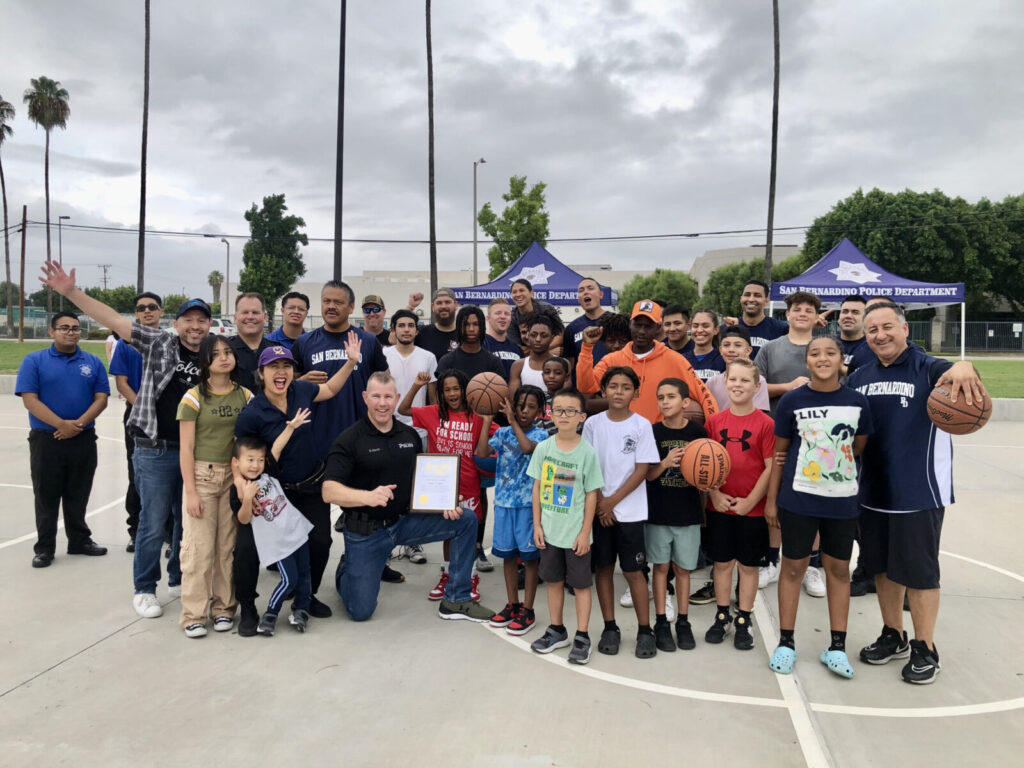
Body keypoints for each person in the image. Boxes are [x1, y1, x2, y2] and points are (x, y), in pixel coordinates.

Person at [40, 259, 211, 620]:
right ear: (176, 323)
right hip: (154, 447)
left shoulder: (215, 354)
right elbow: (115, 321)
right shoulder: (160, 342)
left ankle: (179, 578)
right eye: (189, 319)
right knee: (152, 520)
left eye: (202, 320)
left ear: (208, 325)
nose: (195, 326)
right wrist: (71, 292)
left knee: (187, 520)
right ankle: (145, 588)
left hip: (193, 450)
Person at [848, 301, 984, 685]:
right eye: (872, 329)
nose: (880, 335)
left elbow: (962, 369)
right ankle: (894, 634)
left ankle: (926, 647)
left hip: (919, 489)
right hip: (872, 489)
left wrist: (964, 365)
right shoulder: (860, 376)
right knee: (881, 569)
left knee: (921, 574)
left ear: (905, 329)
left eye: (887, 326)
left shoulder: (929, 368)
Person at [324, 372, 494, 623]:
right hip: (366, 532)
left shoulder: (409, 436)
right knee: (360, 612)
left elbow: (420, 483)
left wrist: (443, 503)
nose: (382, 403)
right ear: (365, 398)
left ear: (397, 398)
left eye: (388, 397)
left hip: (403, 523)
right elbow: (329, 490)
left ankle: (457, 598)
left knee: (466, 519)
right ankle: (347, 568)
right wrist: (367, 496)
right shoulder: (350, 439)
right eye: (376, 397)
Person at [233, 340, 363, 635]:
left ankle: (306, 596)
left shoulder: (302, 391)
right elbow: (237, 454)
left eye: (286, 366)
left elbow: (329, 390)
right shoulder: (253, 412)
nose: (281, 372)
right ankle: (250, 606)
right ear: (261, 373)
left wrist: (351, 362)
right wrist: (242, 488)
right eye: (273, 367)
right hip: (274, 493)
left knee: (319, 542)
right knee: (248, 550)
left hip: (310, 484)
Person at [764, 337, 873, 678]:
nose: (822, 358)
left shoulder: (857, 402)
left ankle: (836, 647)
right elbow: (780, 454)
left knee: (838, 571)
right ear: (806, 362)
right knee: (793, 568)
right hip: (798, 499)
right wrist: (771, 500)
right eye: (815, 353)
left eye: (830, 353)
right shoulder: (792, 401)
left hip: (841, 502)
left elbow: (857, 448)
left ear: (842, 360)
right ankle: (786, 642)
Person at [16, 311, 110, 568]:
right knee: (46, 495)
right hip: (47, 439)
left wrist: (77, 425)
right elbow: (29, 399)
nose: (71, 332)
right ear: (52, 332)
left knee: (79, 491)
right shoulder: (34, 361)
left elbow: (101, 398)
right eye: (64, 328)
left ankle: (79, 540)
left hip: (83, 438)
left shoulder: (92, 362)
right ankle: (45, 547)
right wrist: (61, 425)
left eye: (75, 328)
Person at [176, 334, 254, 638]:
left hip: (234, 477)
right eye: (216, 353)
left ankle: (224, 609)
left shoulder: (246, 396)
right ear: (205, 360)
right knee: (198, 549)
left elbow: (248, 439)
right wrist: (191, 492)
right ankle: (193, 614)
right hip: (203, 477)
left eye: (228, 352)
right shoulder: (193, 397)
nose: (224, 357)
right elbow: (186, 448)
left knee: (227, 548)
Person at [582, 366, 660, 658]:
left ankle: (644, 630)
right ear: (603, 390)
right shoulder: (592, 424)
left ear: (636, 393)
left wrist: (611, 502)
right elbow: (589, 466)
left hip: (629, 511)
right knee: (602, 569)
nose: (618, 391)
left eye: (625, 387)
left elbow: (642, 469)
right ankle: (610, 627)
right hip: (600, 508)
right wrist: (601, 501)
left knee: (634, 571)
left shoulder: (641, 425)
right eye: (613, 386)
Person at [399, 368, 497, 600]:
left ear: (465, 391)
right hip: (442, 488)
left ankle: (470, 576)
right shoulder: (433, 413)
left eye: (456, 389)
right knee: (448, 532)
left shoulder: (477, 416)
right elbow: (402, 409)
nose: (452, 394)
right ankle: (448, 573)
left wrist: (488, 419)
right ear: (440, 393)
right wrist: (417, 386)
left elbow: (495, 440)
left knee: (470, 535)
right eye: (447, 390)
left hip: (470, 485)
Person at [755, 290, 826, 598]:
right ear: (788, 314)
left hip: (818, 436)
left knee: (815, 500)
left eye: (808, 310)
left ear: (816, 317)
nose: (802, 313)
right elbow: (754, 386)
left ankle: (811, 566)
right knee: (777, 497)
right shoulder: (771, 348)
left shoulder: (824, 348)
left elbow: (839, 382)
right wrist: (788, 386)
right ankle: (772, 559)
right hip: (779, 433)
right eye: (797, 309)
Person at [527, 388, 603, 664]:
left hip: (575, 536)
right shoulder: (544, 448)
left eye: (571, 411)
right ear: (550, 414)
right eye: (558, 410)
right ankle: (557, 629)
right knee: (554, 582)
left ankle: (582, 635)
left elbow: (592, 494)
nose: (564, 415)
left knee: (581, 586)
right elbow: (537, 488)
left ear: (582, 417)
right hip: (548, 532)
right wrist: (536, 525)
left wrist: (585, 532)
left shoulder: (587, 453)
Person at [703, 358, 774, 651]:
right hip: (719, 506)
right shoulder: (714, 422)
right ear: (724, 383)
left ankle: (744, 618)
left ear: (757, 387)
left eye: (745, 381)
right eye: (733, 380)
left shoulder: (766, 423)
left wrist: (750, 502)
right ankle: (722, 615)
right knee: (722, 564)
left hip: (751, 509)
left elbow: (770, 468)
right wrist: (715, 494)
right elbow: (704, 464)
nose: (738, 385)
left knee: (748, 566)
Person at [576, 299, 717, 424]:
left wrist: (713, 433)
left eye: (648, 326)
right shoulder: (612, 360)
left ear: (658, 328)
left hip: (658, 441)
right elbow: (586, 387)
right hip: (622, 440)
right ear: (630, 325)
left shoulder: (675, 360)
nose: (641, 331)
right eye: (637, 325)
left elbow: (705, 396)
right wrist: (587, 348)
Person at [479, 386, 549, 636]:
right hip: (504, 504)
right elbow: (482, 453)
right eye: (520, 405)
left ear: (540, 411)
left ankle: (528, 609)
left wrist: (510, 421)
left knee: (530, 559)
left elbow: (528, 448)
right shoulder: (504, 432)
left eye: (530, 406)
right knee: (508, 557)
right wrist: (488, 422)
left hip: (529, 506)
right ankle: (512, 603)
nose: (523, 411)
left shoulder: (542, 435)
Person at [292, 280, 389, 459]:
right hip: (316, 437)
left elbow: (386, 384)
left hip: (361, 435)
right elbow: (288, 389)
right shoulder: (304, 342)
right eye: (326, 301)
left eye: (338, 302)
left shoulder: (367, 341)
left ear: (351, 307)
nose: (331, 306)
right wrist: (302, 381)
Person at [645, 378, 707, 652]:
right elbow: (646, 474)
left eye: (671, 396)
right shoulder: (652, 432)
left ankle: (683, 621)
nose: (665, 401)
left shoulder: (698, 432)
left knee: (683, 569)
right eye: (661, 397)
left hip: (688, 513)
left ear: (685, 402)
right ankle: (661, 621)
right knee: (660, 568)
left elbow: (706, 475)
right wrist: (666, 462)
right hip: (658, 512)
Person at [231, 434, 313, 636]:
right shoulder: (241, 490)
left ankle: (301, 608)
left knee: (304, 574)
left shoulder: (268, 474)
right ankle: (271, 613)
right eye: (249, 460)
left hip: (296, 531)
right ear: (237, 462)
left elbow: (276, 448)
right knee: (289, 579)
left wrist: (292, 427)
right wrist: (248, 499)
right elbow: (243, 519)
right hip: (278, 543)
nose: (255, 465)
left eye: (259, 460)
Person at [383, 308, 436, 565]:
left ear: (417, 329)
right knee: (389, 483)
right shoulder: (383, 354)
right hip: (387, 426)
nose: (406, 329)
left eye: (410, 325)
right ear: (393, 329)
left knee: (415, 487)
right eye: (401, 325)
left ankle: (413, 542)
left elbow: (434, 397)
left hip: (418, 428)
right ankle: (387, 539)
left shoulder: (428, 357)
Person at [110, 292, 162, 551]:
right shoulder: (124, 344)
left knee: (169, 475)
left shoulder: (169, 342)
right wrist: (142, 407)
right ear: (136, 314)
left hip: (166, 416)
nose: (147, 311)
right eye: (142, 308)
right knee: (138, 474)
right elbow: (121, 382)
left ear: (161, 312)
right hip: (138, 417)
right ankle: (136, 528)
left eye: (152, 307)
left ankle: (168, 531)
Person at [705, 325, 770, 412]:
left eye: (738, 345)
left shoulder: (758, 381)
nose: (731, 349)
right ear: (721, 350)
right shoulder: (712, 382)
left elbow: (758, 417)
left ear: (748, 350)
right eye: (726, 345)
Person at [436, 305, 505, 382]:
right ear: (459, 327)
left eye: (475, 324)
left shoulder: (493, 362)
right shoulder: (447, 361)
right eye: (466, 324)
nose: (471, 329)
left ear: (482, 327)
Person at [563, 277, 612, 380]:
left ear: (601, 294)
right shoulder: (572, 328)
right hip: (583, 391)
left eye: (590, 288)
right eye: (581, 290)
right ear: (578, 298)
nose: (585, 292)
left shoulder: (615, 322)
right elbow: (570, 364)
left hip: (611, 387)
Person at [731, 280, 789, 358]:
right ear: (741, 299)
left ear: (766, 301)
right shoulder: (729, 328)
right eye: (747, 295)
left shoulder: (781, 329)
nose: (751, 299)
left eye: (757, 295)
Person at [228, 293, 273, 391]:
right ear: (235, 318)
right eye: (245, 312)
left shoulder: (277, 351)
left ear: (264, 317)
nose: (250, 317)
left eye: (255, 312)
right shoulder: (223, 351)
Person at [508, 278, 563, 352]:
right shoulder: (512, 317)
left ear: (531, 293)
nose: (518, 294)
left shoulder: (546, 308)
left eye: (521, 290)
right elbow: (516, 346)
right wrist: (540, 353)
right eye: (514, 292)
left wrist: (545, 351)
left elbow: (560, 334)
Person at [509, 314, 557, 394]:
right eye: (533, 335)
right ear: (528, 336)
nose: (538, 339)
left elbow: (565, 398)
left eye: (544, 336)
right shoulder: (518, 366)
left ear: (551, 338)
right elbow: (514, 400)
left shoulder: (562, 364)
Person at [483, 297, 523, 379]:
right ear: (488, 318)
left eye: (507, 314)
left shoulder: (517, 349)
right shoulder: (481, 345)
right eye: (498, 313)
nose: (503, 317)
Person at [414, 288, 459, 360]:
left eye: (447, 302)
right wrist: (410, 307)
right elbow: (394, 339)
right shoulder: (421, 333)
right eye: (439, 303)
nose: (443, 306)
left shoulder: (465, 334)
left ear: (456, 305)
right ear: (433, 307)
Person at [836, 294, 874, 377]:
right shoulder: (827, 343)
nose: (848, 316)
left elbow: (866, 376)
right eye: (845, 311)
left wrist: (839, 367)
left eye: (855, 312)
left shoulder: (873, 347)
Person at [683, 308, 725, 382]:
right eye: (695, 326)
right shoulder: (681, 360)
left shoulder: (723, 360)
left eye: (705, 326)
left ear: (716, 330)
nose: (699, 330)